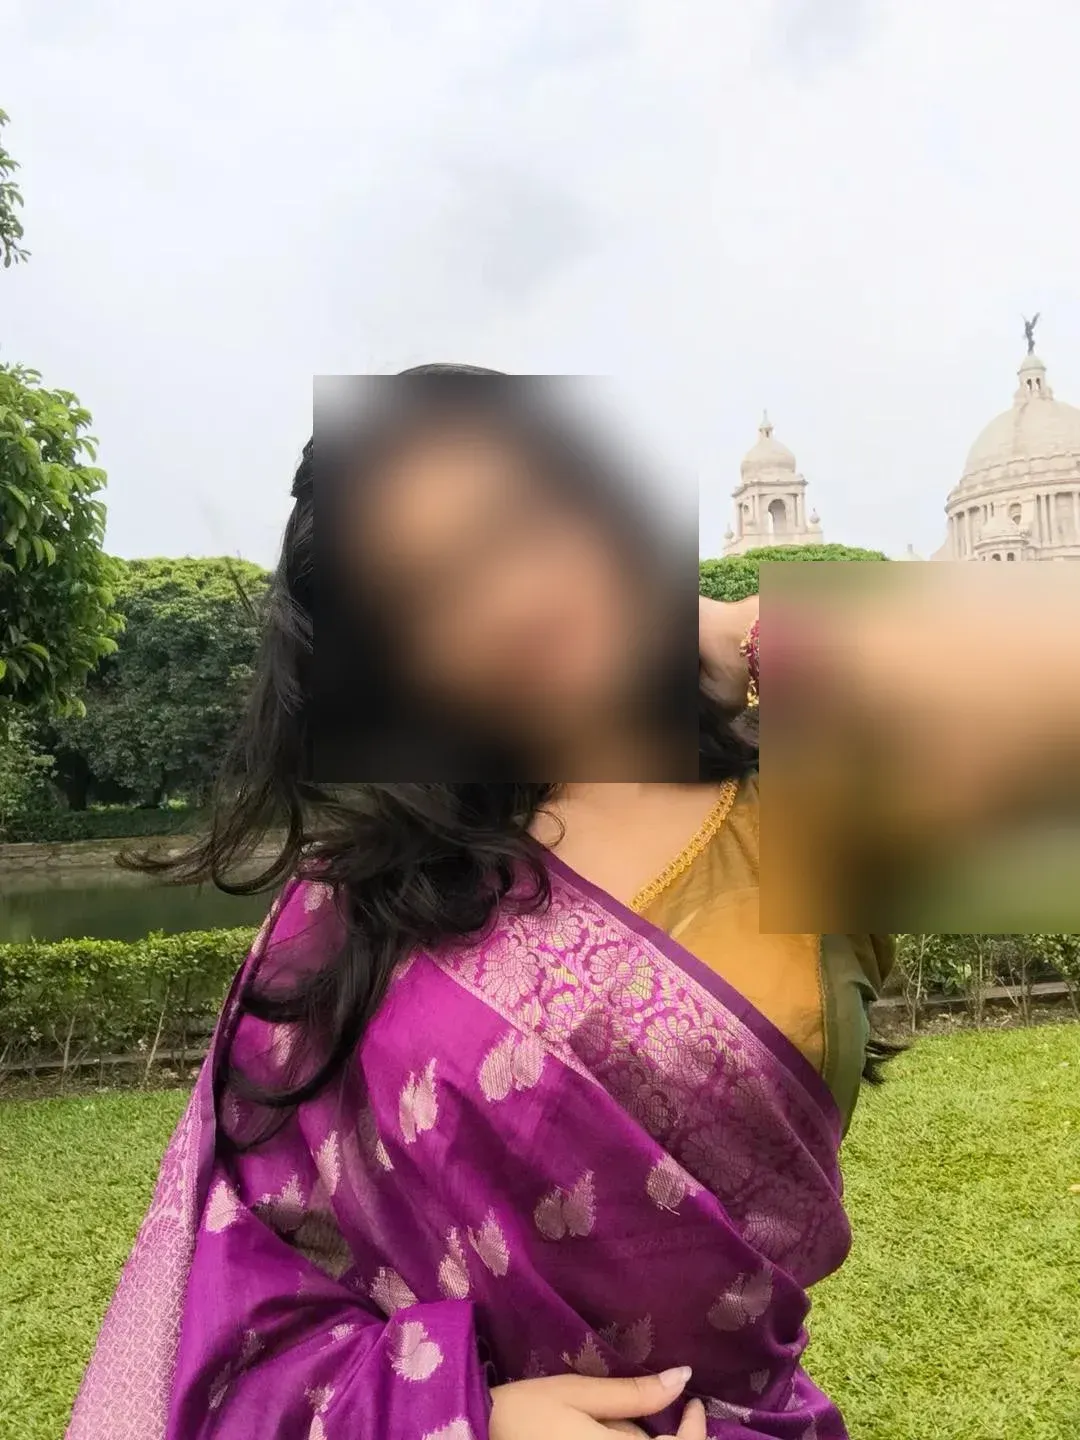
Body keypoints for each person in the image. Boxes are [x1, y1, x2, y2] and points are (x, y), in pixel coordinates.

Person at [67, 368, 895, 1440]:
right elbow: (240, 1303)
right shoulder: (353, 916)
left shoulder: (811, 812)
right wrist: (464, 1419)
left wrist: (747, 632)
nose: (509, 601)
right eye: (429, 592)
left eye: (521, 522)